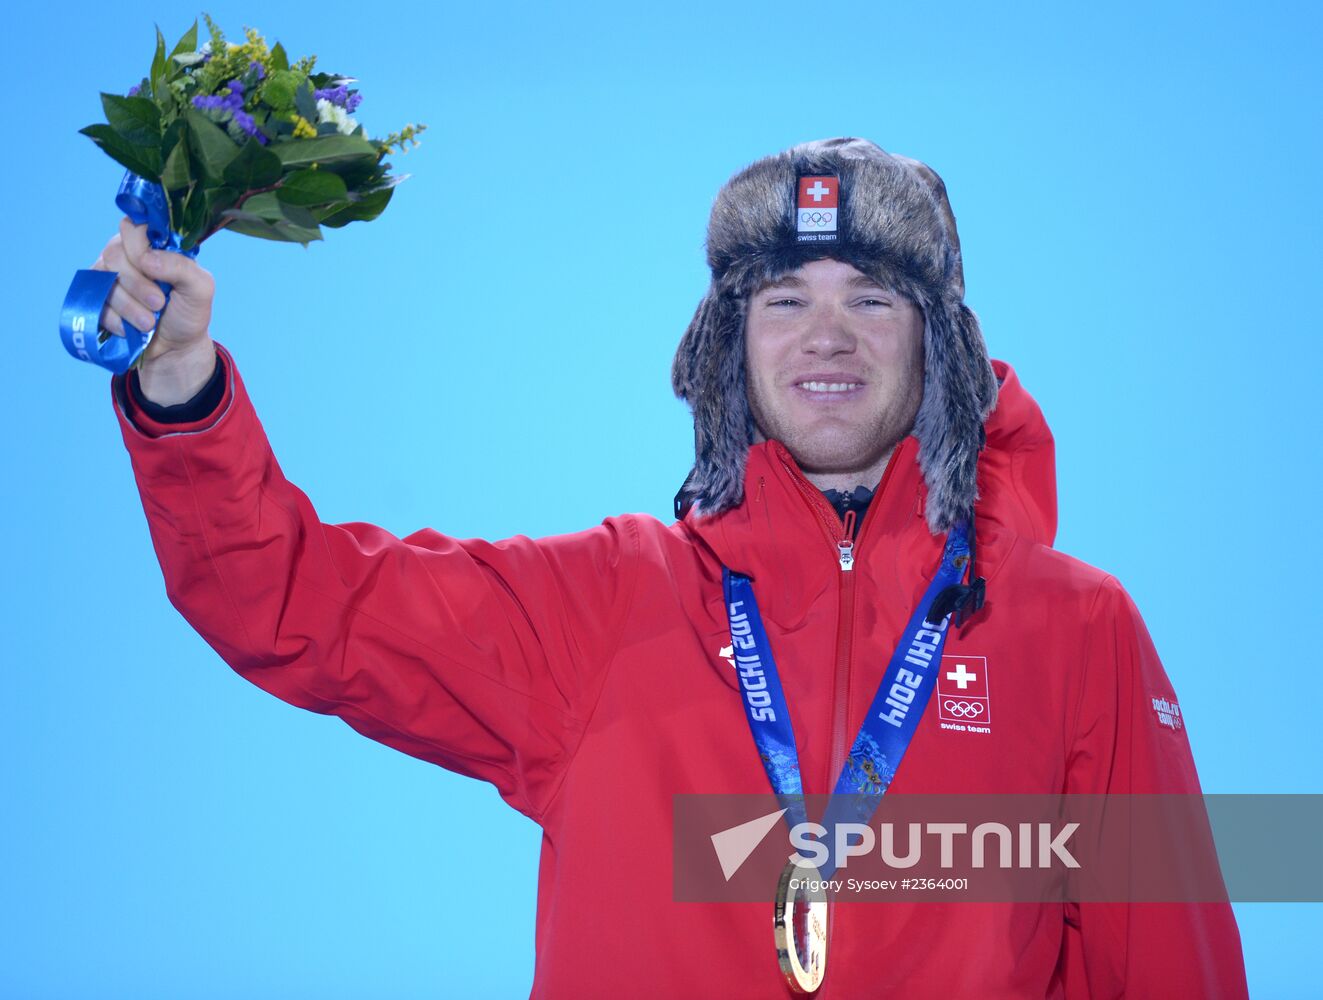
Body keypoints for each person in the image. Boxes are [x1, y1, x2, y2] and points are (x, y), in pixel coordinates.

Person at [94, 137, 1249, 997]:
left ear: (940, 341)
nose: (827, 336)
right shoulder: (603, 604)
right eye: (784, 300)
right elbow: (292, 600)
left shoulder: (1076, 625)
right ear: (728, 346)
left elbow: (1168, 963)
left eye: (874, 300)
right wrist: (181, 388)